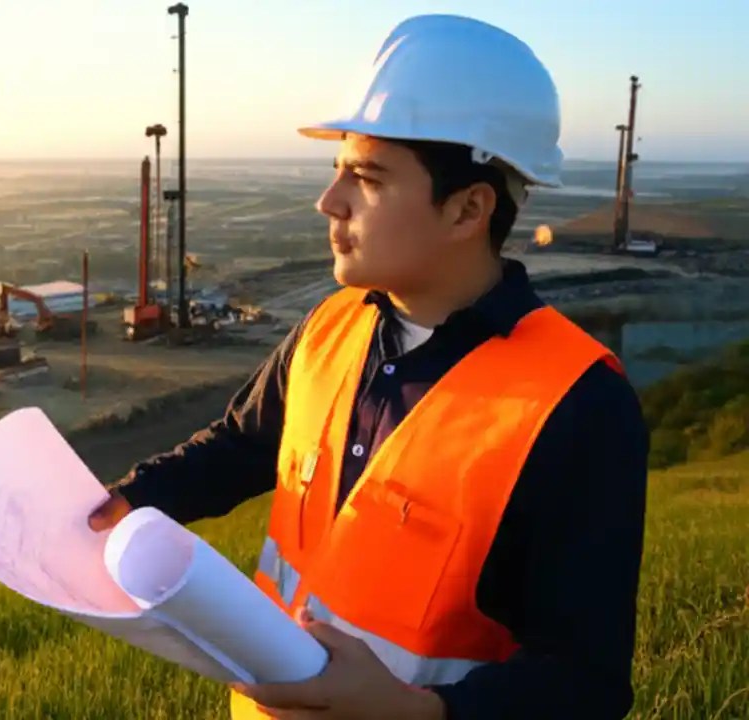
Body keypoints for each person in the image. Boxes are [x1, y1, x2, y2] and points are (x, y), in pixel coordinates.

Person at [87, 14, 648, 720]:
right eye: (337, 171)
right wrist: (122, 504)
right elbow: (242, 447)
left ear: (468, 209)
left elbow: (585, 684)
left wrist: (412, 710)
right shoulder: (332, 327)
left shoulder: (577, 405)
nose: (330, 202)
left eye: (368, 177)